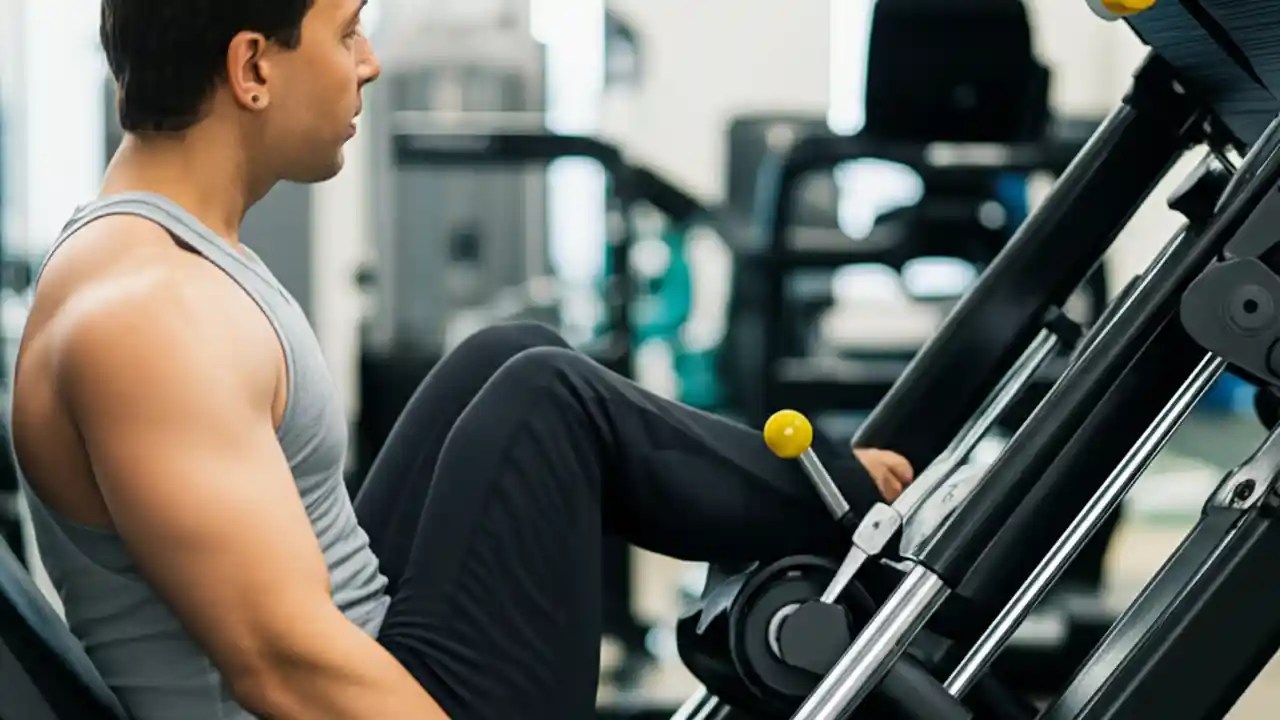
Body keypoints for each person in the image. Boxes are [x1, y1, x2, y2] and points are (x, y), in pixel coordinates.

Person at [9, 1, 916, 718]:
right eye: (348, 29)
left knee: (506, 355)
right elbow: (283, 668)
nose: (368, 62)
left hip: (379, 663)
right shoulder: (150, 315)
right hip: (382, 704)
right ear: (253, 67)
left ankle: (824, 502)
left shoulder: (166, 265)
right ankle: (841, 505)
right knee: (546, 396)